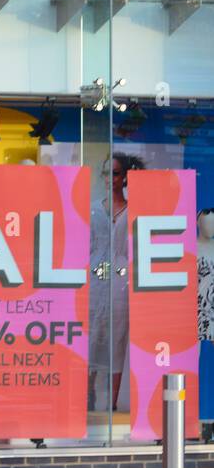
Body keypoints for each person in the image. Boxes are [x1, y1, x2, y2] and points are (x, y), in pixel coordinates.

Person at [88, 153, 144, 413]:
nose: (110, 178)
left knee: (117, 340)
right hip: (94, 281)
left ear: (125, 177)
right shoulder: (93, 209)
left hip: (122, 283)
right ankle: (86, 395)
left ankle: (110, 403)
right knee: (90, 337)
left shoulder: (134, 211)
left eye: (116, 173)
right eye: (106, 172)